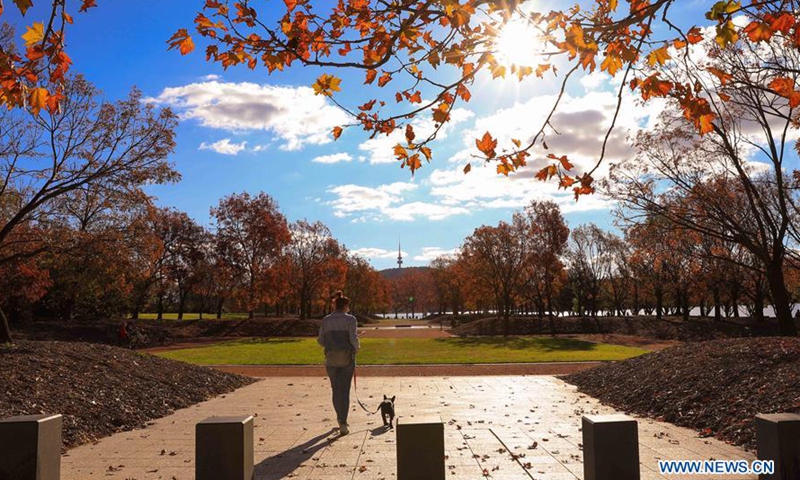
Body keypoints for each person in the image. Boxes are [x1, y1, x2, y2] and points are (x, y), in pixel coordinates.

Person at [317, 291, 359, 435]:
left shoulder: (326, 320)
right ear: (345, 305)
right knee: (345, 391)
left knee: (336, 390)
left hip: (331, 358)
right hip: (346, 357)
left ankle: (339, 419)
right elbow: (353, 338)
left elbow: (320, 340)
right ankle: (343, 422)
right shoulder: (351, 319)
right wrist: (356, 348)